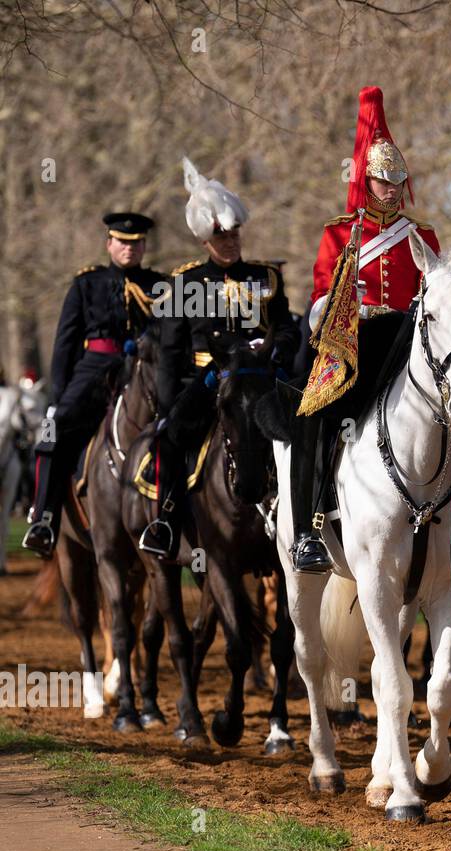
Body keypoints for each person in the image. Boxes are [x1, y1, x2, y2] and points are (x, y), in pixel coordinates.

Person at [290, 86, 441, 573]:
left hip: (402, 346)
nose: (392, 190)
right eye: (382, 181)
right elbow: (319, 295)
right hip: (352, 344)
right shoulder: (339, 233)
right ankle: (308, 528)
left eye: (398, 181)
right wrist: (331, 314)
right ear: (366, 181)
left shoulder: (423, 237)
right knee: (313, 412)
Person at [140, 158, 300, 557]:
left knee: (306, 430)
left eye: (235, 234)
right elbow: (173, 348)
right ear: (204, 241)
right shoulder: (184, 282)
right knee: (172, 437)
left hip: (261, 379)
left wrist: (274, 346)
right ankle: (167, 521)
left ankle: (311, 526)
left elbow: (287, 328)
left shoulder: (266, 277)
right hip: (208, 381)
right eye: (222, 237)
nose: (231, 242)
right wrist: (166, 405)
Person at [23, 212, 168, 558]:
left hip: (146, 373)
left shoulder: (161, 286)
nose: (130, 249)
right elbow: (65, 344)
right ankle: (43, 519)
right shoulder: (87, 284)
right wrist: (58, 396)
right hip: (97, 372)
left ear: (145, 245)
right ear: (109, 244)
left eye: (136, 243)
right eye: (123, 242)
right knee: (52, 429)